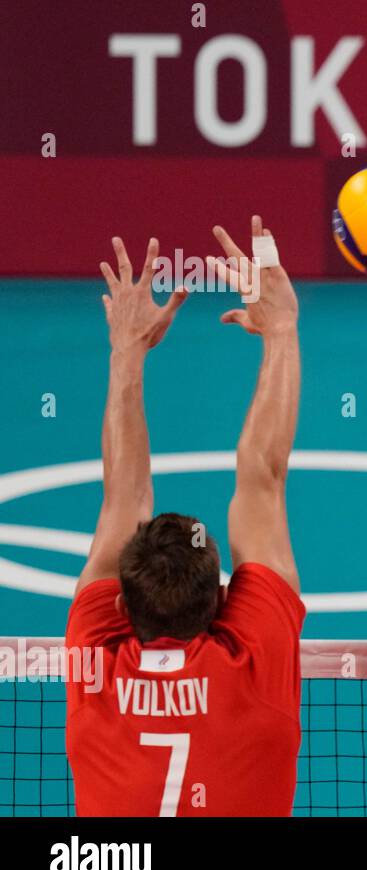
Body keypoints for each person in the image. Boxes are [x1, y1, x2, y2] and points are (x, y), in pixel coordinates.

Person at [66, 218, 304, 816]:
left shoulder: (96, 667)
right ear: (223, 604)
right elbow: (263, 476)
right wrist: (281, 332)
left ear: (122, 607)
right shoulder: (254, 664)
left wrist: (127, 353)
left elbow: (123, 498)